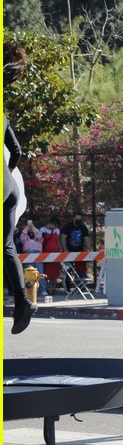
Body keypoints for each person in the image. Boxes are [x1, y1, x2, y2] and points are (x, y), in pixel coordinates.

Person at [4, 111, 35, 334]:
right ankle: (21, 301)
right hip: (9, 186)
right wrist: (7, 173)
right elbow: (16, 151)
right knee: (6, 246)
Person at [18, 216, 44, 296]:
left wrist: (33, 227)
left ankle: (42, 290)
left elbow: (40, 237)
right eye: (29, 226)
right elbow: (22, 239)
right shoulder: (25, 234)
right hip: (27, 254)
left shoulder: (38, 233)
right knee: (28, 273)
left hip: (37, 254)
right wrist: (27, 228)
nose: (30, 227)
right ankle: (29, 290)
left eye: (31, 226)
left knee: (40, 272)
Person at [62, 213, 91, 283]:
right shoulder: (67, 227)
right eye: (77, 219)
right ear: (74, 218)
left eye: (80, 220)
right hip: (69, 252)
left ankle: (80, 286)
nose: (78, 221)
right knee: (68, 271)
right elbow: (63, 239)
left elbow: (87, 239)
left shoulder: (83, 228)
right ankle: (68, 287)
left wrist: (89, 250)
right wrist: (65, 250)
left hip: (80, 253)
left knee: (81, 271)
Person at [40, 217, 62, 296]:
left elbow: (58, 241)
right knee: (47, 271)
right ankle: (47, 287)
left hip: (55, 252)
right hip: (46, 252)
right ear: (51, 223)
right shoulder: (42, 230)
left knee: (55, 272)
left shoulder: (57, 231)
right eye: (55, 225)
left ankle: (54, 288)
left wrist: (60, 249)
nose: (55, 227)